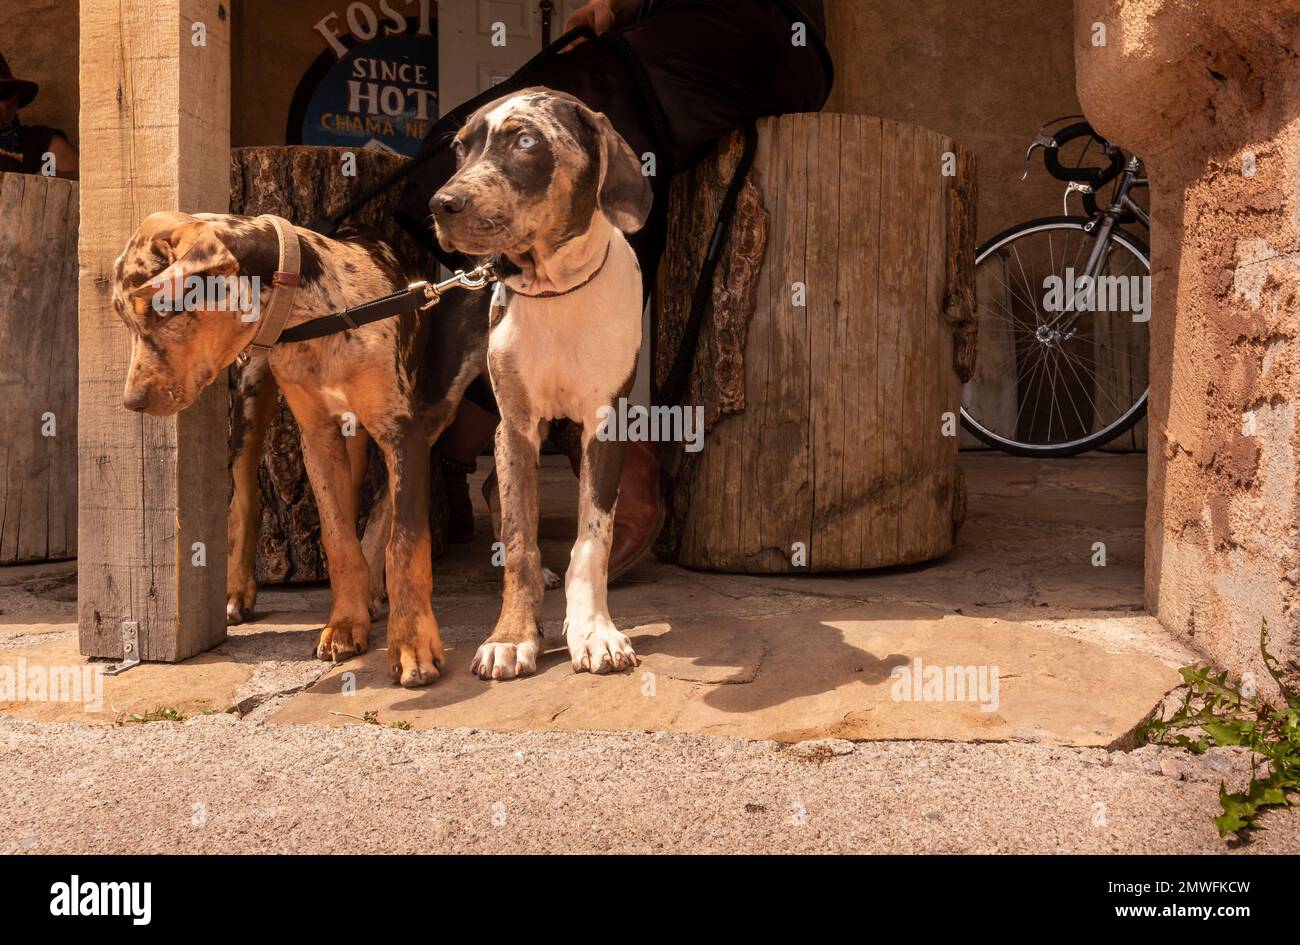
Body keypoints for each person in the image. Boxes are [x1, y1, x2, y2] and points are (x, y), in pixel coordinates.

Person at [396, 0, 832, 577]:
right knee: (457, 153)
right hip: (660, 33)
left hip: (762, 29)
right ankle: (463, 445)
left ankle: (613, 446)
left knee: (592, 134)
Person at [0, 50, 78, 179]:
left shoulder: (39, 142)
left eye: (2, 93)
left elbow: (86, 178)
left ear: (15, 101)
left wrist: (48, 180)